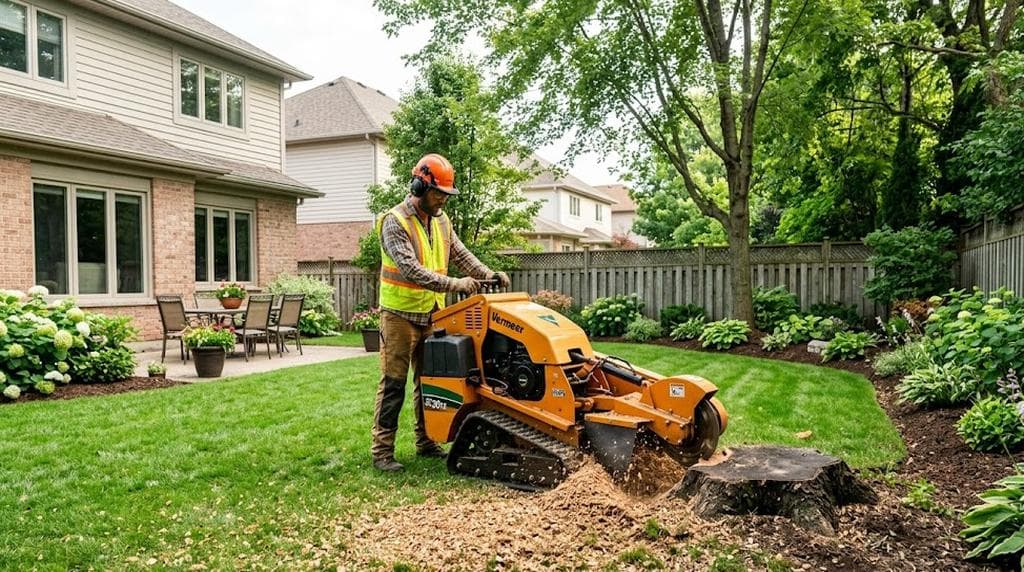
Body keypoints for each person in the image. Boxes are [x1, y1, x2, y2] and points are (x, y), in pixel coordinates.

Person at [371, 153, 510, 472]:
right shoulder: (395, 221)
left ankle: (425, 441)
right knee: (394, 384)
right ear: (419, 186)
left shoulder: (442, 221)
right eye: (438, 194)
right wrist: (456, 285)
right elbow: (410, 269)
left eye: (446, 195)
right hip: (399, 315)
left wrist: (488, 274)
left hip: (433, 315)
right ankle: (382, 451)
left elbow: (461, 254)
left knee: (430, 382)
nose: (443, 201)